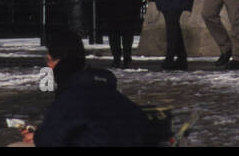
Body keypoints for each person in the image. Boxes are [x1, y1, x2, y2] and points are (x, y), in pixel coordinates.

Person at [17, 30, 150, 146]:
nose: (48, 67)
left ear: (59, 62)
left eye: (49, 60)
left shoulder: (70, 96)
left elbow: (50, 140)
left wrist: (38, 136)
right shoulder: (108, 91)